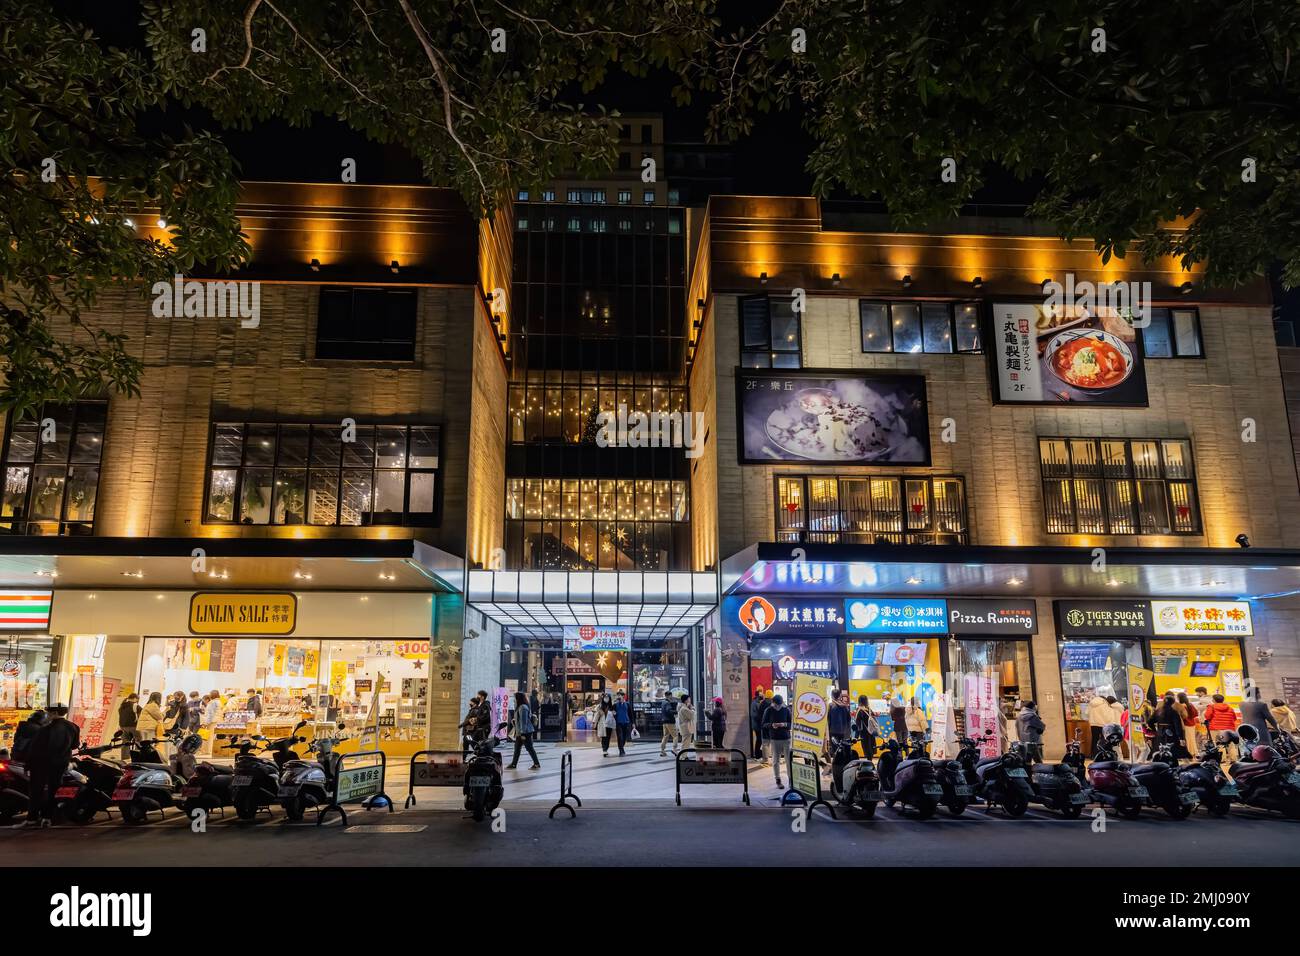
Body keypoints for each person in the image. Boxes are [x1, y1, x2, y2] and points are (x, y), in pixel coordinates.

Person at [24, 703, 79, 827]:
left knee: (36, 791)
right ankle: (48, 818)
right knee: (54, 790)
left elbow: (34, 749)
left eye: (48, 713)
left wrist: (28, 765)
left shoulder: (45, 729)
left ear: (54, 713)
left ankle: (32, 818)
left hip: (41, 765)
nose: (47, 715)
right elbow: (75, 745)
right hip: (60, 764)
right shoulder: (73, 727)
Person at [762, 694, 792, 788]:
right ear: (773, 703)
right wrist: (772, 725)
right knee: (775, 760)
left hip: (786, 738)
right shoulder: (768, 710)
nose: (777, 707)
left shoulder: (786, 710)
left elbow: (791, 723)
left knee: (788, 760)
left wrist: (784, 724)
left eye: (779, 705)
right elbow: (763, 724)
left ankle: (791, 780)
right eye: (776, 705)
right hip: (774, 738)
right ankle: (778, 780)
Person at [506, 691, 540, 770]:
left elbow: (523, 722)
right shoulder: (520, 706)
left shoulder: (523, 707)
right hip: (520, 732)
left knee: (529, 748)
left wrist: (523, 734)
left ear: (518, 698)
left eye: (515, 698)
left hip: (525, 732)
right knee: (517, 748)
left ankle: (536, 764)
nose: (514, 699)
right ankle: (514, 764)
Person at [1152, 694, 1186, 758]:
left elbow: (1150, 721)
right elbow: (1177, 725)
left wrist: (1154, 730)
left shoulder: (1158, 711)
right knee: (1171, 749)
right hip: (1171, 732)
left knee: (1160, 748)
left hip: (1160, 732)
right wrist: (1181, 738)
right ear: (1172, 702)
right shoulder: (1174, 712)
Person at [137, 691, 166, 758]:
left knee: (144, 744)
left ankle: (144, 758)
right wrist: (165, 711)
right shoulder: (153, 705)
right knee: (150, 744)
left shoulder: (148, 704)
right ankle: (148, 758)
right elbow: (159, 717)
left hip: (144, 727)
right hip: (149, 728)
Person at [1086, 690, 1112, 757]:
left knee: (1094, 739)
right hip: (1103, 724)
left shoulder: (1091, 703)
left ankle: (1093, 755)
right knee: (1103, 740)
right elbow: (1107, 715)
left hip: (1093, 724)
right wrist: (1108, 722)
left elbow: (1086, 713)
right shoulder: (1105, 703)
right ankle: (1102, 755)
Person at [117, 692, 140, 760]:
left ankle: (125, 759)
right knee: (138, 741)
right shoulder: (135, 705)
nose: (137, 701)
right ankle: (137, 758)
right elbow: (142, 714)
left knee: (125, 743)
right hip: (133, 726)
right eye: (137, 699)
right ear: (135, 698)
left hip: (123, 727)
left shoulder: (122, 706)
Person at [1177, 692, 1200, 758]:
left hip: (1186, 724)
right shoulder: (1190, 704)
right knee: (1192, 739)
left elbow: (1180, 716)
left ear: (1179, 698)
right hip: (1192, 724)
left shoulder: (1181, 706)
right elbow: (1196, 713)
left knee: (1187, 739)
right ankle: (1194, 752)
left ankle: (1190, 752)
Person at [659, 689, 680, 756]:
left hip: (664, 721)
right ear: (669, 696)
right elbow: (669, 711)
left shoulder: (663, 702)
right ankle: (674, 749)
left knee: (665, 736)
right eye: (671, 695)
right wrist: (677, 711)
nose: (672, 697)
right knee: (675, 736)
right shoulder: (667, 703)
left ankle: (662, 751)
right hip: (670, 721)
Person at [613, 690, 634, 756]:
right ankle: (621, 751)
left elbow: (630, 714)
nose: (618, 697)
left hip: (626, 723)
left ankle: (621, 747)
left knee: (624, 737)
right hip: (618, 723)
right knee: (620, 737)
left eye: (619, 695)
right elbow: (611, 712)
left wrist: (633, 723)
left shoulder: (627, 704)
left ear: (623, 696)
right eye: (618, 695)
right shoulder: (615, 705)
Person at [757, 690, 774, 765]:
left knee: (765, 743)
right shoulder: (773, 703)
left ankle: (765, 759)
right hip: (773, 726)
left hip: (764, 726)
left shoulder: (763, 703)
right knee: (774, 743)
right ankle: (775, 758)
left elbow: (759, 715)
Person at [749, 689, 765, 759]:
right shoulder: (754, 703)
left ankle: (759, 754)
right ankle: (757, 755)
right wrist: (760, 717)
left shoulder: (758, 702)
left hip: (758, 724)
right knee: (759, 739)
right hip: (757, 725)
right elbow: (753, 715)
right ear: (758, 696)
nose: (762, 695)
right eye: (761, 694)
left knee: (760, 739)